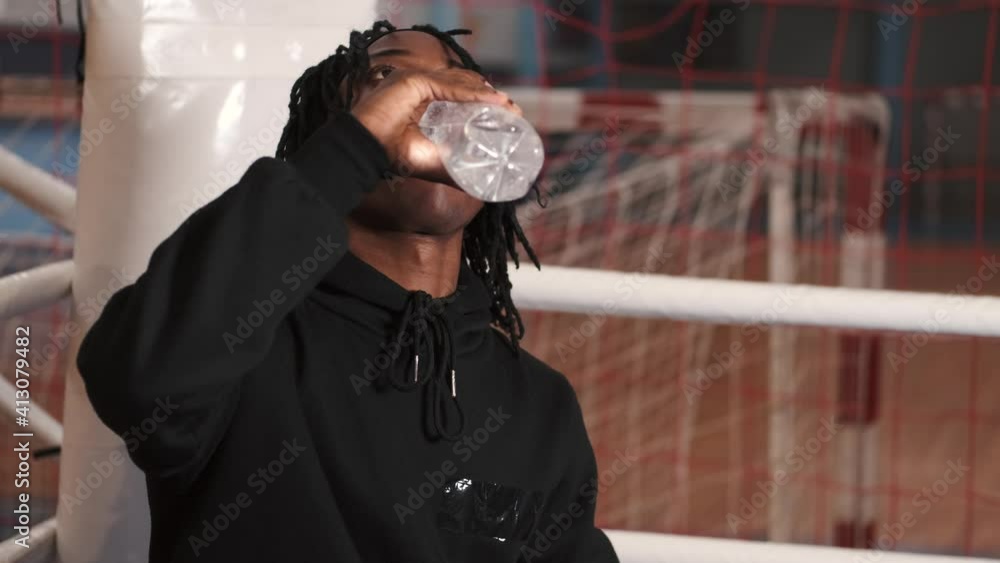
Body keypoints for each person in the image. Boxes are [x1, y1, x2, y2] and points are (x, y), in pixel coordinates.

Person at [77, 20, 619, 563]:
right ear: (335, 138)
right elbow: (137, 379)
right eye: (386, 76)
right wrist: (358, 147)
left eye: (459, 81)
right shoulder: (247, 345)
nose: (433, 98)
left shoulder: (536, 403)